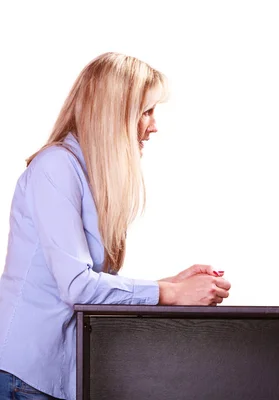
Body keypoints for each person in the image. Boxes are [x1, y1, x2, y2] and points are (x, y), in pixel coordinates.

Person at [0, 52, 231, 399]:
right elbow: (78, 287)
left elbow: (85, 280)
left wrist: (169, 284)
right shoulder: (56, 168)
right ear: (115, 114)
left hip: (51, 375)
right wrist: (170, 295)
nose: (154, 126)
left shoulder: (85, 174)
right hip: (26, 376)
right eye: (146, 112)